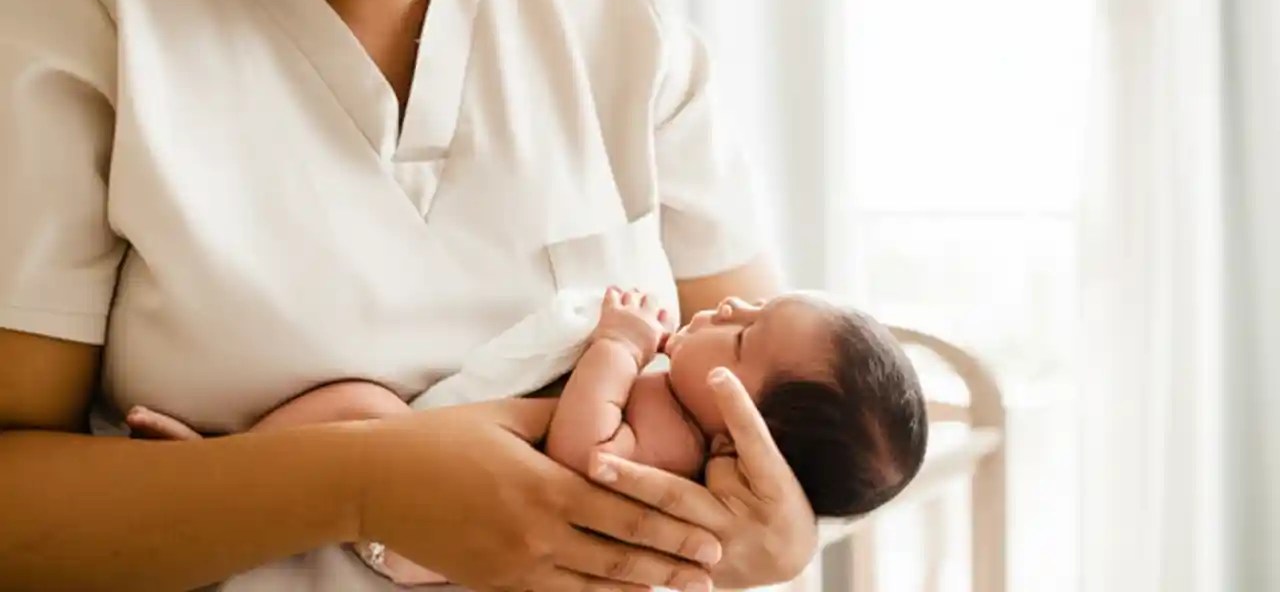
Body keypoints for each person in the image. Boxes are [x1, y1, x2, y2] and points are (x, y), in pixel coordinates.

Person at [0, 0, 820, 589]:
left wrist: (770, 546)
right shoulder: (70, 4)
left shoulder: (617, 20)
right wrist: (360, 487)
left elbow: (782, 445)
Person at [128, 290, 930, 586]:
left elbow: (588, 458)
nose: (729, 310)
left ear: (747, 433)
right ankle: (221, 473)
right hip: (427, 481)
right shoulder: (682, 395)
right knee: (352, 412)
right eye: (755, 307)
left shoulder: (675, 448)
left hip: (434, 540)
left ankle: (218, 479)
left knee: (355, 408)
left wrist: (617, 348)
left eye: (746, 340)